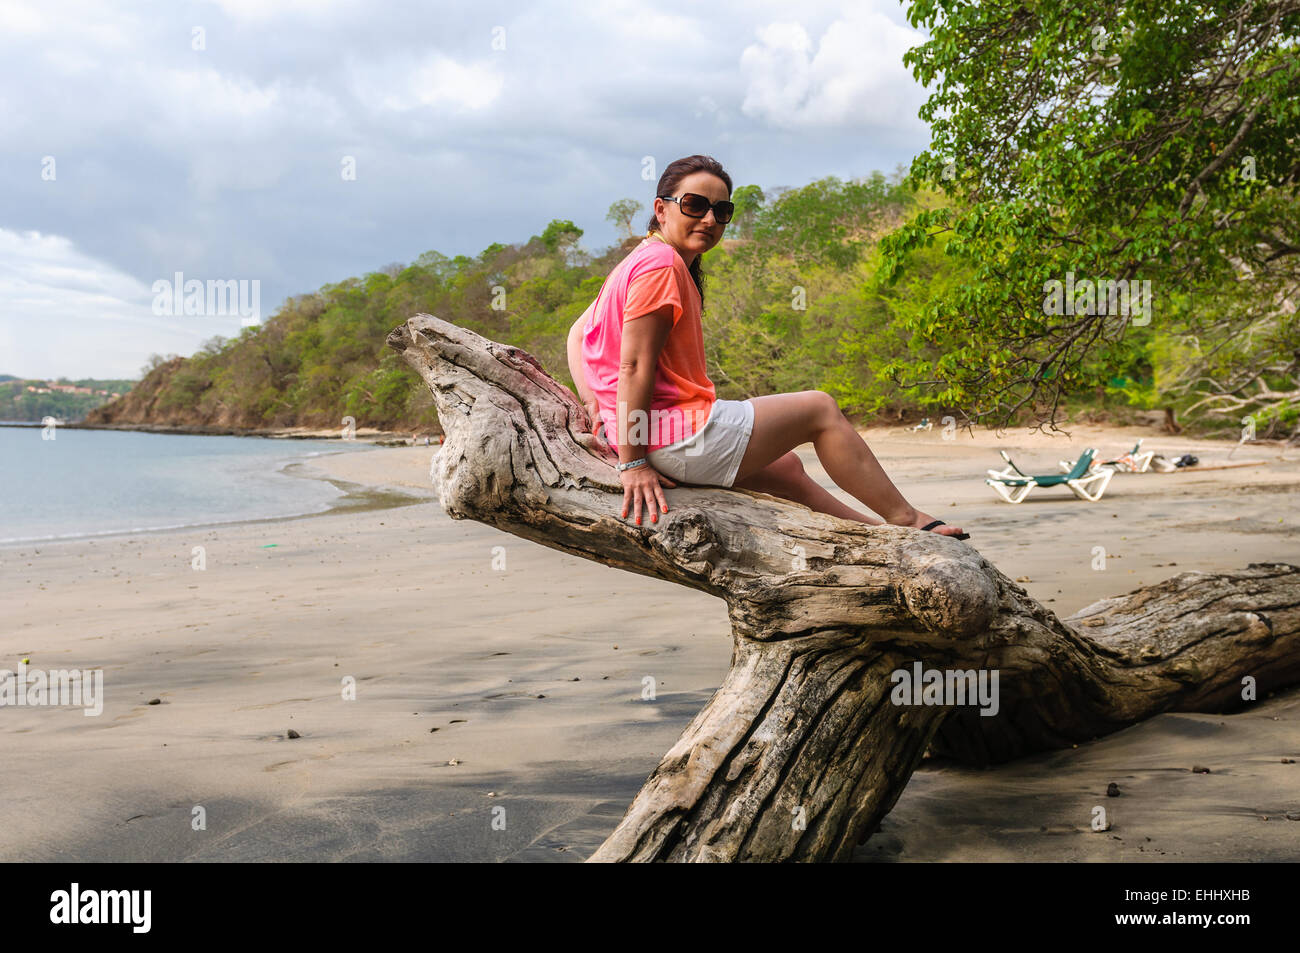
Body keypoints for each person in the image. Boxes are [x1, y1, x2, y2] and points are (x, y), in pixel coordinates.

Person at [566, 154, 968, 540]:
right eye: (694, 205)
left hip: (649, 435)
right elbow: (634, 367)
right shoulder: (661, 266)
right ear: (662, 208)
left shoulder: (639, 260)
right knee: (819, 408)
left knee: (787, 469)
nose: (709, 219)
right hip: (670, 438)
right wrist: (632, 464)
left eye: (721, 211)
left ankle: (877, 535)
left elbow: (577, 333)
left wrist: (594, 405)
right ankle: (907, 518)